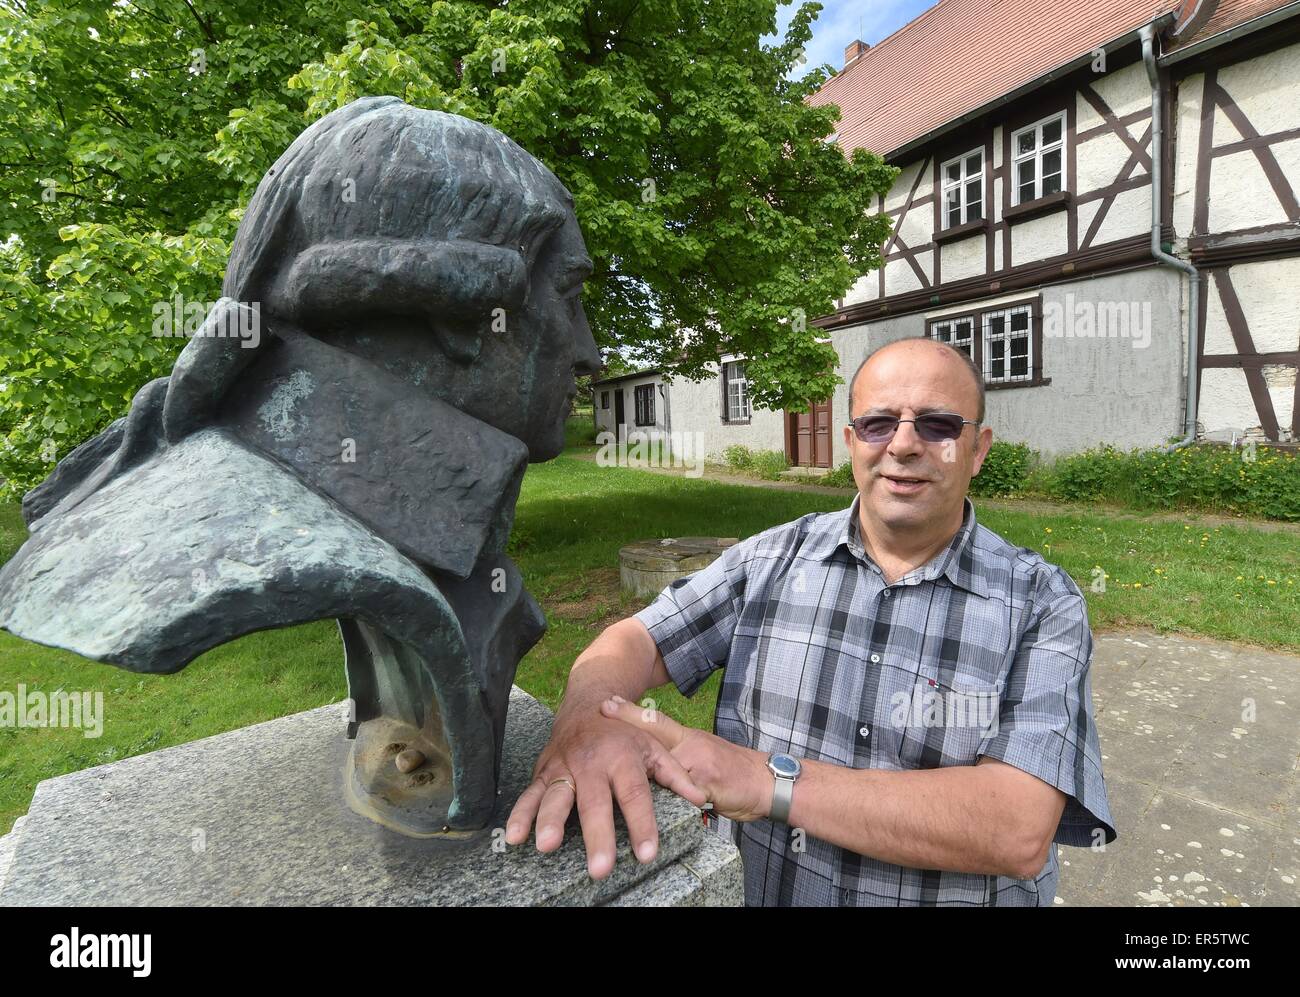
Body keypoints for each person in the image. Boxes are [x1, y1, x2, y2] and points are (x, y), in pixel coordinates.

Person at [506, 336, 1116, 905]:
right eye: (880, 423)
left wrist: (765, 779)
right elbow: (634, 639)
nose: (903, 445)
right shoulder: (772, 558)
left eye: (937, 425)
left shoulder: (1042, 601)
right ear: (851, 443)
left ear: (978, 449)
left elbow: (1017, 827)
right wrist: (587, 719)